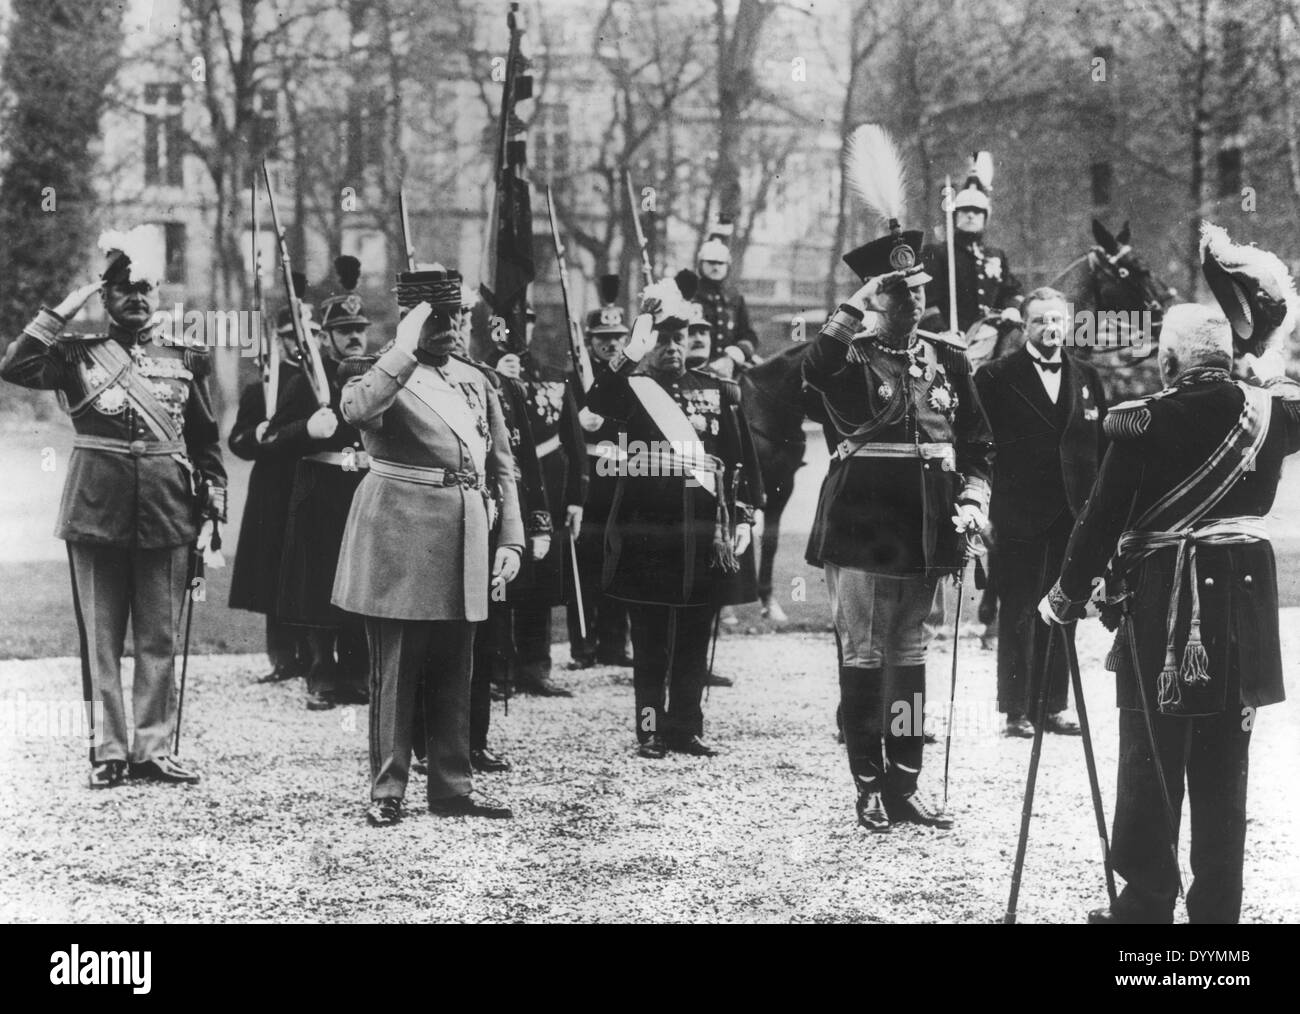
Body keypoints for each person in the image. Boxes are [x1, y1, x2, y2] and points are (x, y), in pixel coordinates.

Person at [1040, 247, 1300, 922]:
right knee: (1225, 774)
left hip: (1164, 612)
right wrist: (1269, 358)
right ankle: (1217, 916)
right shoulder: (1272, 415)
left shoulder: (1141, 420)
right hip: (1242, 612)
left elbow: (1098, 525)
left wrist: (1065, 597)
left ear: (1169, 360)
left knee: (1151, 764)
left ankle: (1147, 906)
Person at [1, 227, 226, 787]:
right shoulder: (74, 355)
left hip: (169, 510)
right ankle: (108, 751)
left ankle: (152, 748)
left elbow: (204, 441)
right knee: (102, 640)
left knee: (159, 638)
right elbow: (14, 365)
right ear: (105, 297)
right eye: (123, 290)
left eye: (146, 288)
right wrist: (63, 309)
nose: (137, 298)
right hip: (95, 510)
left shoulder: (185, 357)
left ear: (159, 293)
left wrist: (213, 503)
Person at [803, 220, 994, 832]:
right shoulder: (849, 354)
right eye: (898, 292)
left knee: (910, 651)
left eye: (918, 290)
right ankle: (867, 786)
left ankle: (904, 783)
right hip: (862, 515)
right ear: (871, 297)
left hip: (928, 519)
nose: (915, 302)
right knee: (863, 650)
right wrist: (853, 306)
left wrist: (973, 497)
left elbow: (977, 441)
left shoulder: (946, 356)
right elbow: (814, 367)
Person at [332, 265, 523, 827]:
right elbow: (357, 412)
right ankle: (388, 788)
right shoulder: (377, 371)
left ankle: (451, 784)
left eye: (458, 315)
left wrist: (509, 537)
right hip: (400, 529)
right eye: (437, 317)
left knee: (455, 661)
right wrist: (406, 346)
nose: (452, 327)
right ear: (412, 318)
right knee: (396, 665)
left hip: (464, 530)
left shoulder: (476, 380)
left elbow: (503, 467)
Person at [585, 276, 762, 758]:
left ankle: (687, 726)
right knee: (649, 637)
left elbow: (740, 459)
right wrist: (630, 349)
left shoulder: (719, 391)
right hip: (648, 526)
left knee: (695, 630)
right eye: (661, 338)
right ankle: (649, 729)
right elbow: (594, 403)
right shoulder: (630, 390)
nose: (671, 347)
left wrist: (743, 515)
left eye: (677, 338)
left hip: (704, 529)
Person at [974, 286, 1108, 737]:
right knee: (1018, 611)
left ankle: (1052, 705)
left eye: (1056, 320)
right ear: (1025, 326)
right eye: (1039, 321)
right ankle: (1016, 709)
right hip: (1017, 517)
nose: (1049, 328)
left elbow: (1103, 448)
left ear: (1066, 323)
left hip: (1073, 517)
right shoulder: (995, 378)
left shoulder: (1087, 376)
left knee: (1063, 607)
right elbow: (977, 447)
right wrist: (985, 508)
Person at [264, 256, 371, 710]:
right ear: (324, 337)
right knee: (319, 587)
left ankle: (358, 675)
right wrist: (308, 429)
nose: (354, 337)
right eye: (344, 330)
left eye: (359, 328)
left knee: (362, 586)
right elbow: (271, 440)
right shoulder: (309, 381)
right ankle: (321, 675)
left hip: (365, 491)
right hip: (320, 490)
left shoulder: (378, 375)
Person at [492, 307, 586, 696]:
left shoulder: (552, 374)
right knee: (502, 577)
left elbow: (573, 437)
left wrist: (577, 496)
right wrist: (499, 377)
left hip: (548, 485)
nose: (518, 331)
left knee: (542, 577)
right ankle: (498, 670)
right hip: (504, 484)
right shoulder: (483, 373)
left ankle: (535, 666)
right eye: (509, 324)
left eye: (525, 323)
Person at [227, 290, 308, 684]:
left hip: (313, 485)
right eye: (291, 336)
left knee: (311, 570)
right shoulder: (262, 389)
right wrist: (256, 434)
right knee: (275, 571)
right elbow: (237, 441)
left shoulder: (321, 381)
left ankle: (318, 658)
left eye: (304, 334)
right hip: (274, 491)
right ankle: (283, 657)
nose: (298, 343)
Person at [567, 275, 632, 670]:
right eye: (602, 337)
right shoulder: (574, 378)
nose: (610, 343)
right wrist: (579, 419)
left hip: (622, 473)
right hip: (589, 474)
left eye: (617, 336)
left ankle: (614, 644)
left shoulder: (631, 378)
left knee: (620, 560)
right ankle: (583, 646)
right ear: (589, 341)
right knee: (585, 562)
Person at [921, 155, 1023, 334]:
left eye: (976, 212)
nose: (970, 215)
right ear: (955, 216)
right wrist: (942, 334)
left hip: (992, 334)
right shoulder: (938, 253)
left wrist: (1012, 309)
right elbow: (927, 302)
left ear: (985, 217)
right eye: (965, 211)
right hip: (950, 336)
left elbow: (1012, 292)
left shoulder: (996, 255)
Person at [695, 222, 760, 365]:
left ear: (727, 266)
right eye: (711, 262)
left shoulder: (735, 297)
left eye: (720, 263)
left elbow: (748, 334)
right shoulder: (690, 295)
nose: (716, 267)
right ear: (701, 264)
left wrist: (739, 351)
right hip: (697, 366)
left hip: (730, 364)